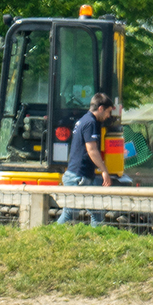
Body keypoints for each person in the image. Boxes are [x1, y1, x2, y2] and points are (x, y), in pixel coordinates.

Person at [57, 92, 115, 226]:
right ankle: (48, 237)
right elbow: (92, 149)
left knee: (93, 213)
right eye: (108, 112)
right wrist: (104, 171)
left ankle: (51, 236)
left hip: (78, 175)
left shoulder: (84, 120)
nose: (108, 116)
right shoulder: (91, 123)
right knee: (72, 213)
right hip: (79, 177)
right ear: (100, 108)